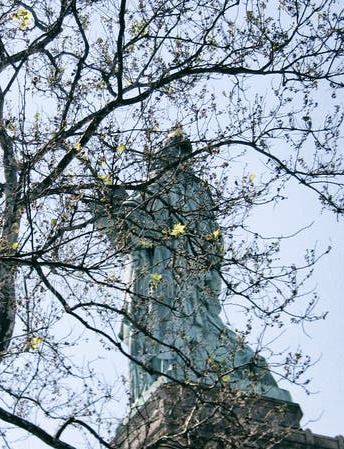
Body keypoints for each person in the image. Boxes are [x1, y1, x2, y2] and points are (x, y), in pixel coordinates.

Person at [96, 130, 291, 405]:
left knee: (171, 324)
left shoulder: (169, 184)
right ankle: (201, 365)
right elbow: (207, 241)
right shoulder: (193, 190)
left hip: (170, 275)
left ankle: (180, 365)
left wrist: (110, 204)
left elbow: (134, 227)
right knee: (187, 323)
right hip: (188, 276)